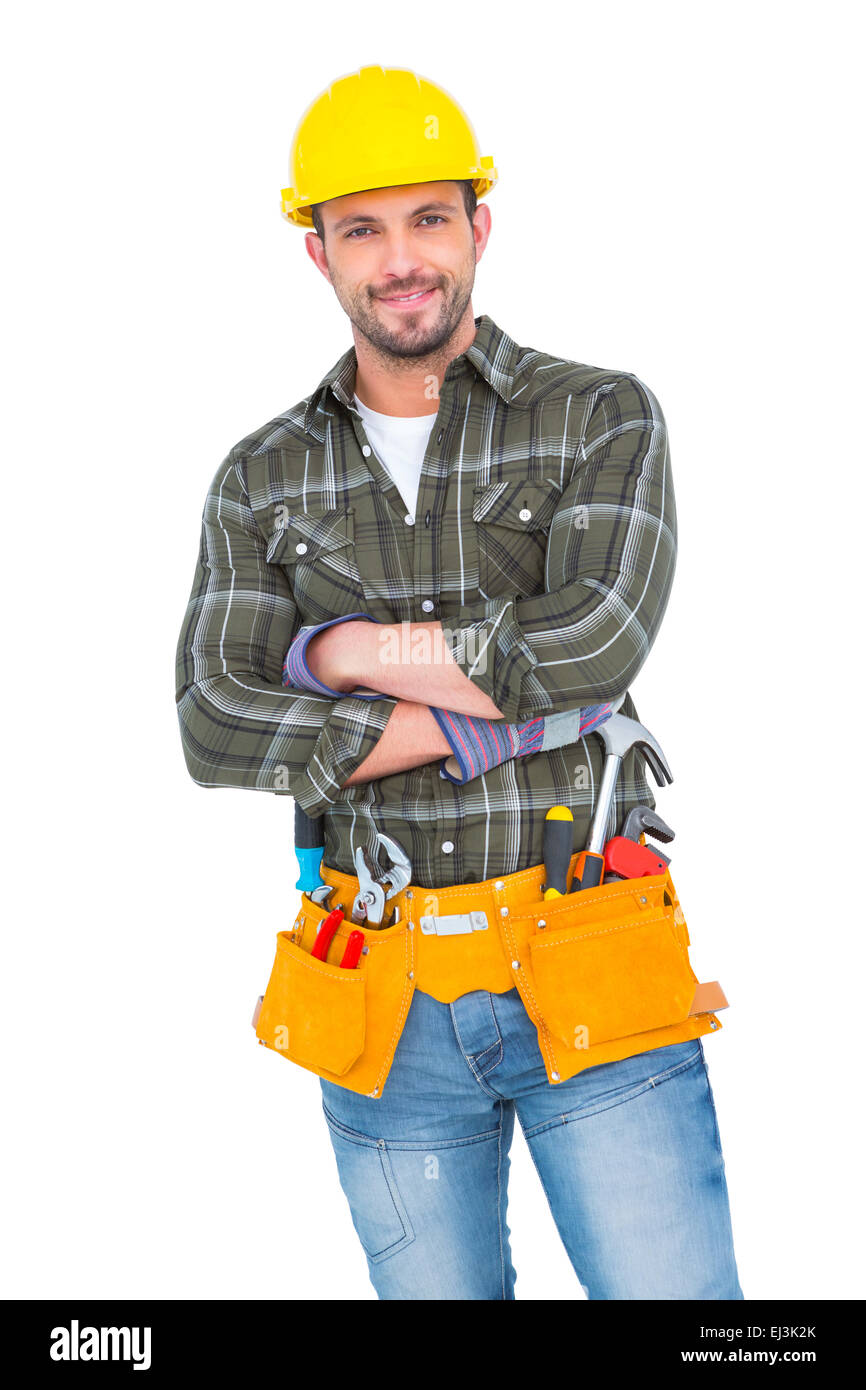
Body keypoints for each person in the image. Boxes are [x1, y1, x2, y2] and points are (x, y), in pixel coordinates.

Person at [175, 65, 743, 1300]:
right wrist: (495, 704)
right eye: (361, 229)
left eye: (428, 218)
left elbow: (594, 641)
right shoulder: (260, 476)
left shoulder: (595, 416)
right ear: (314, 251)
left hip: (585, 941)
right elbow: (214, 721)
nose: (400, 259)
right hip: (378, 992)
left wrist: (335, 655)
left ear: (477, 226)